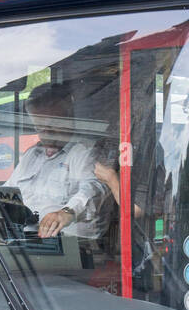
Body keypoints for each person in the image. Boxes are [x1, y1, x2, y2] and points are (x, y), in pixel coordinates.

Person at [7, 81, 111, 240]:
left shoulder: (84, 152)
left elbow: (93, 189)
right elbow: (6, 192)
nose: (47, 134)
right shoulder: (32, 155)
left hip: (72, 248)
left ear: (68, 118)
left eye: (52, 126)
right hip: (26, 242)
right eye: (40, 128)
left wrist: (66, 213)